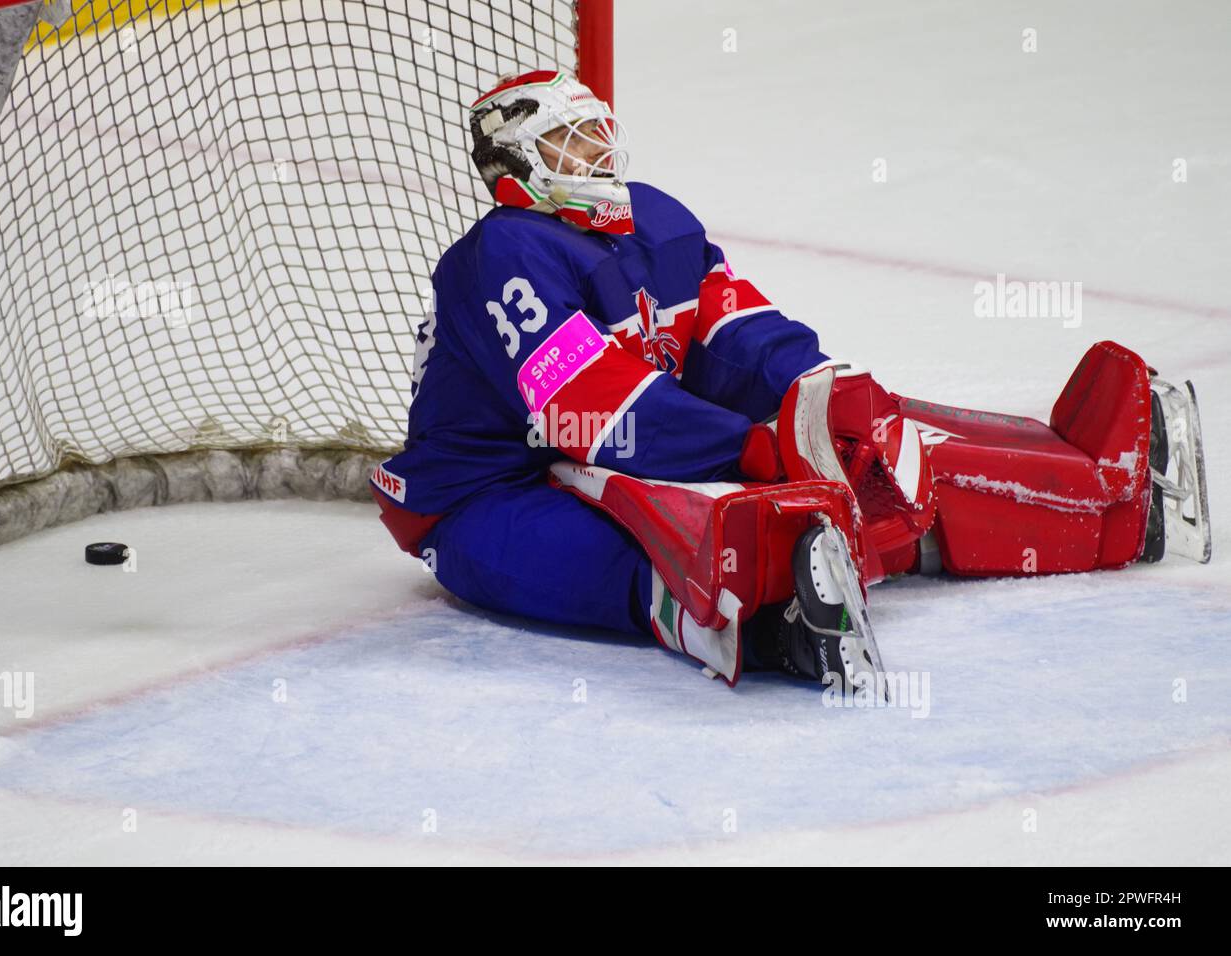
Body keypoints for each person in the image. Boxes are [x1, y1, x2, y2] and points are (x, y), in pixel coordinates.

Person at [369, 70, 1210, 693]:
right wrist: (747, 444)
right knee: (669, 541)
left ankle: (1118, 515)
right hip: (485, 493)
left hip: (614, 443)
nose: (600, 151)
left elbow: (735, 328)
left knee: (866, 439)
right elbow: (584, 410)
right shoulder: (502, 256)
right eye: (571, 140)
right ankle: (780, 628)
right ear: (520, 166)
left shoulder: (654, 216)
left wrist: (811, 392)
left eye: (598, 130)